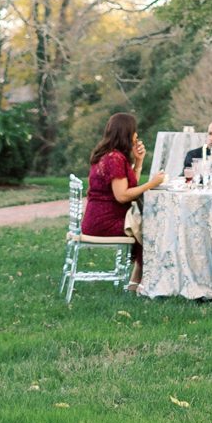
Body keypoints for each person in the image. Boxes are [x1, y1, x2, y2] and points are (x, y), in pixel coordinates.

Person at [82, 111, 165, 290]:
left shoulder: (113, 156)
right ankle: (142, 283)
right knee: (152, 230)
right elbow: (122, 195)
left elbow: (128, 186)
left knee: (150, 226)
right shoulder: (114, 159)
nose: (137, 136)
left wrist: (139, 162)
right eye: (135, 131)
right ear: (127, 133)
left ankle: (137, 283)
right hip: (104, 222)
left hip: (99, 219)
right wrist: (152, 183)